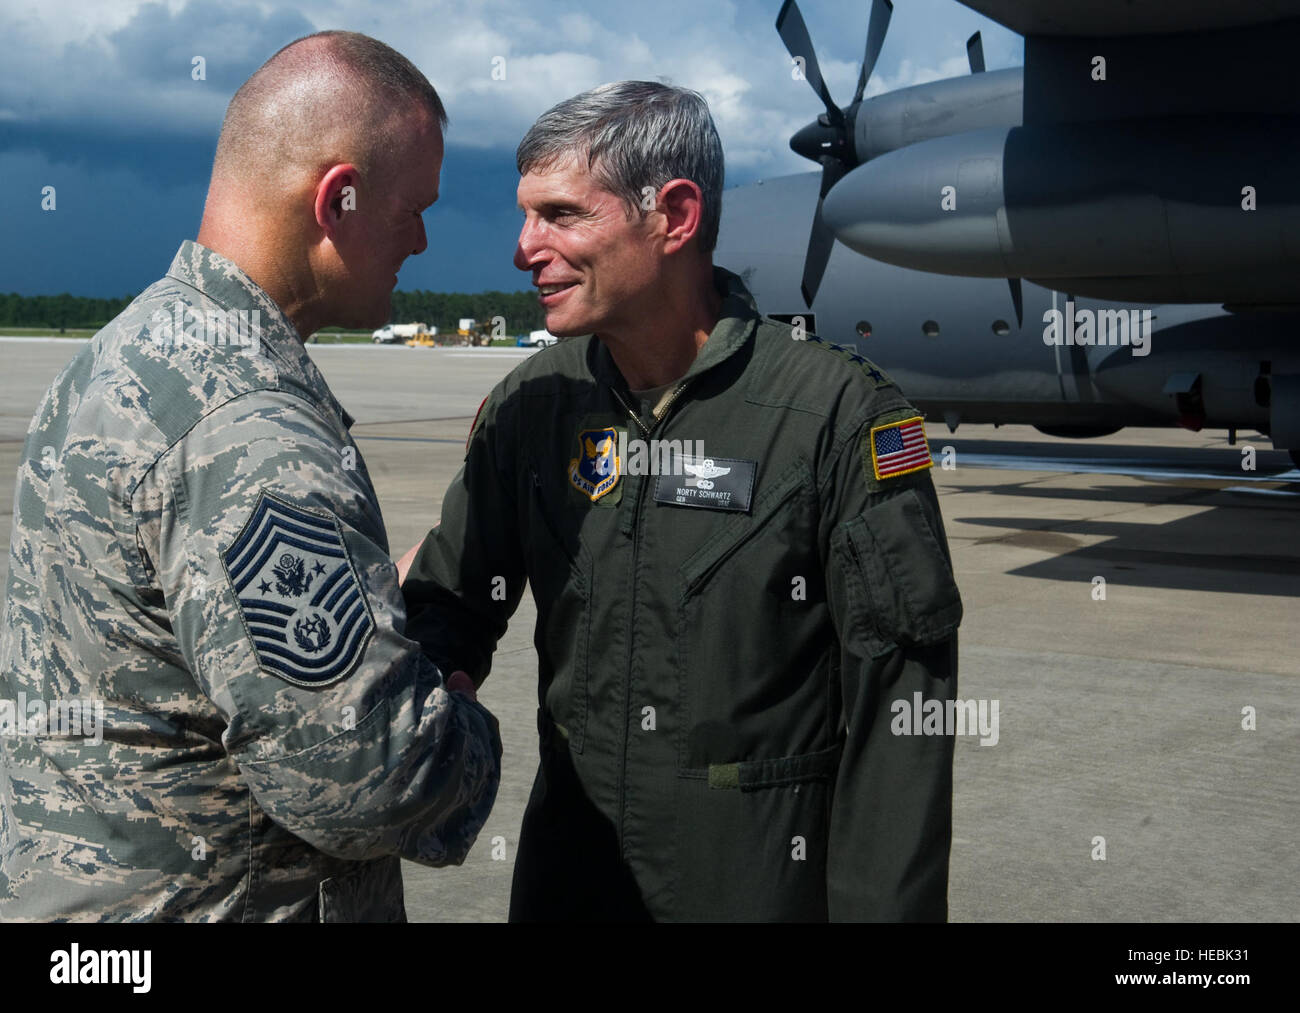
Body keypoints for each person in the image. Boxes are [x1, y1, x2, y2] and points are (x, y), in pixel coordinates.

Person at [398, 81, 962, 921]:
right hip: (570, 891)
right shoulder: (532, 409)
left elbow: (900, 723)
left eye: (559, 214)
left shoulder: (835, 421)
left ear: (676, 215)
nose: (524, 249)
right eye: (526, 216)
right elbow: (451, 605)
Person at [0, 31, 501, 922]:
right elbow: (361, 775)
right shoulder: (248, 425)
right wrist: (450, 710)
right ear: (338, 200)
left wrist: (355, 598)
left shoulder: (126, 354)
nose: (425, 240)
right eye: (412, 208)